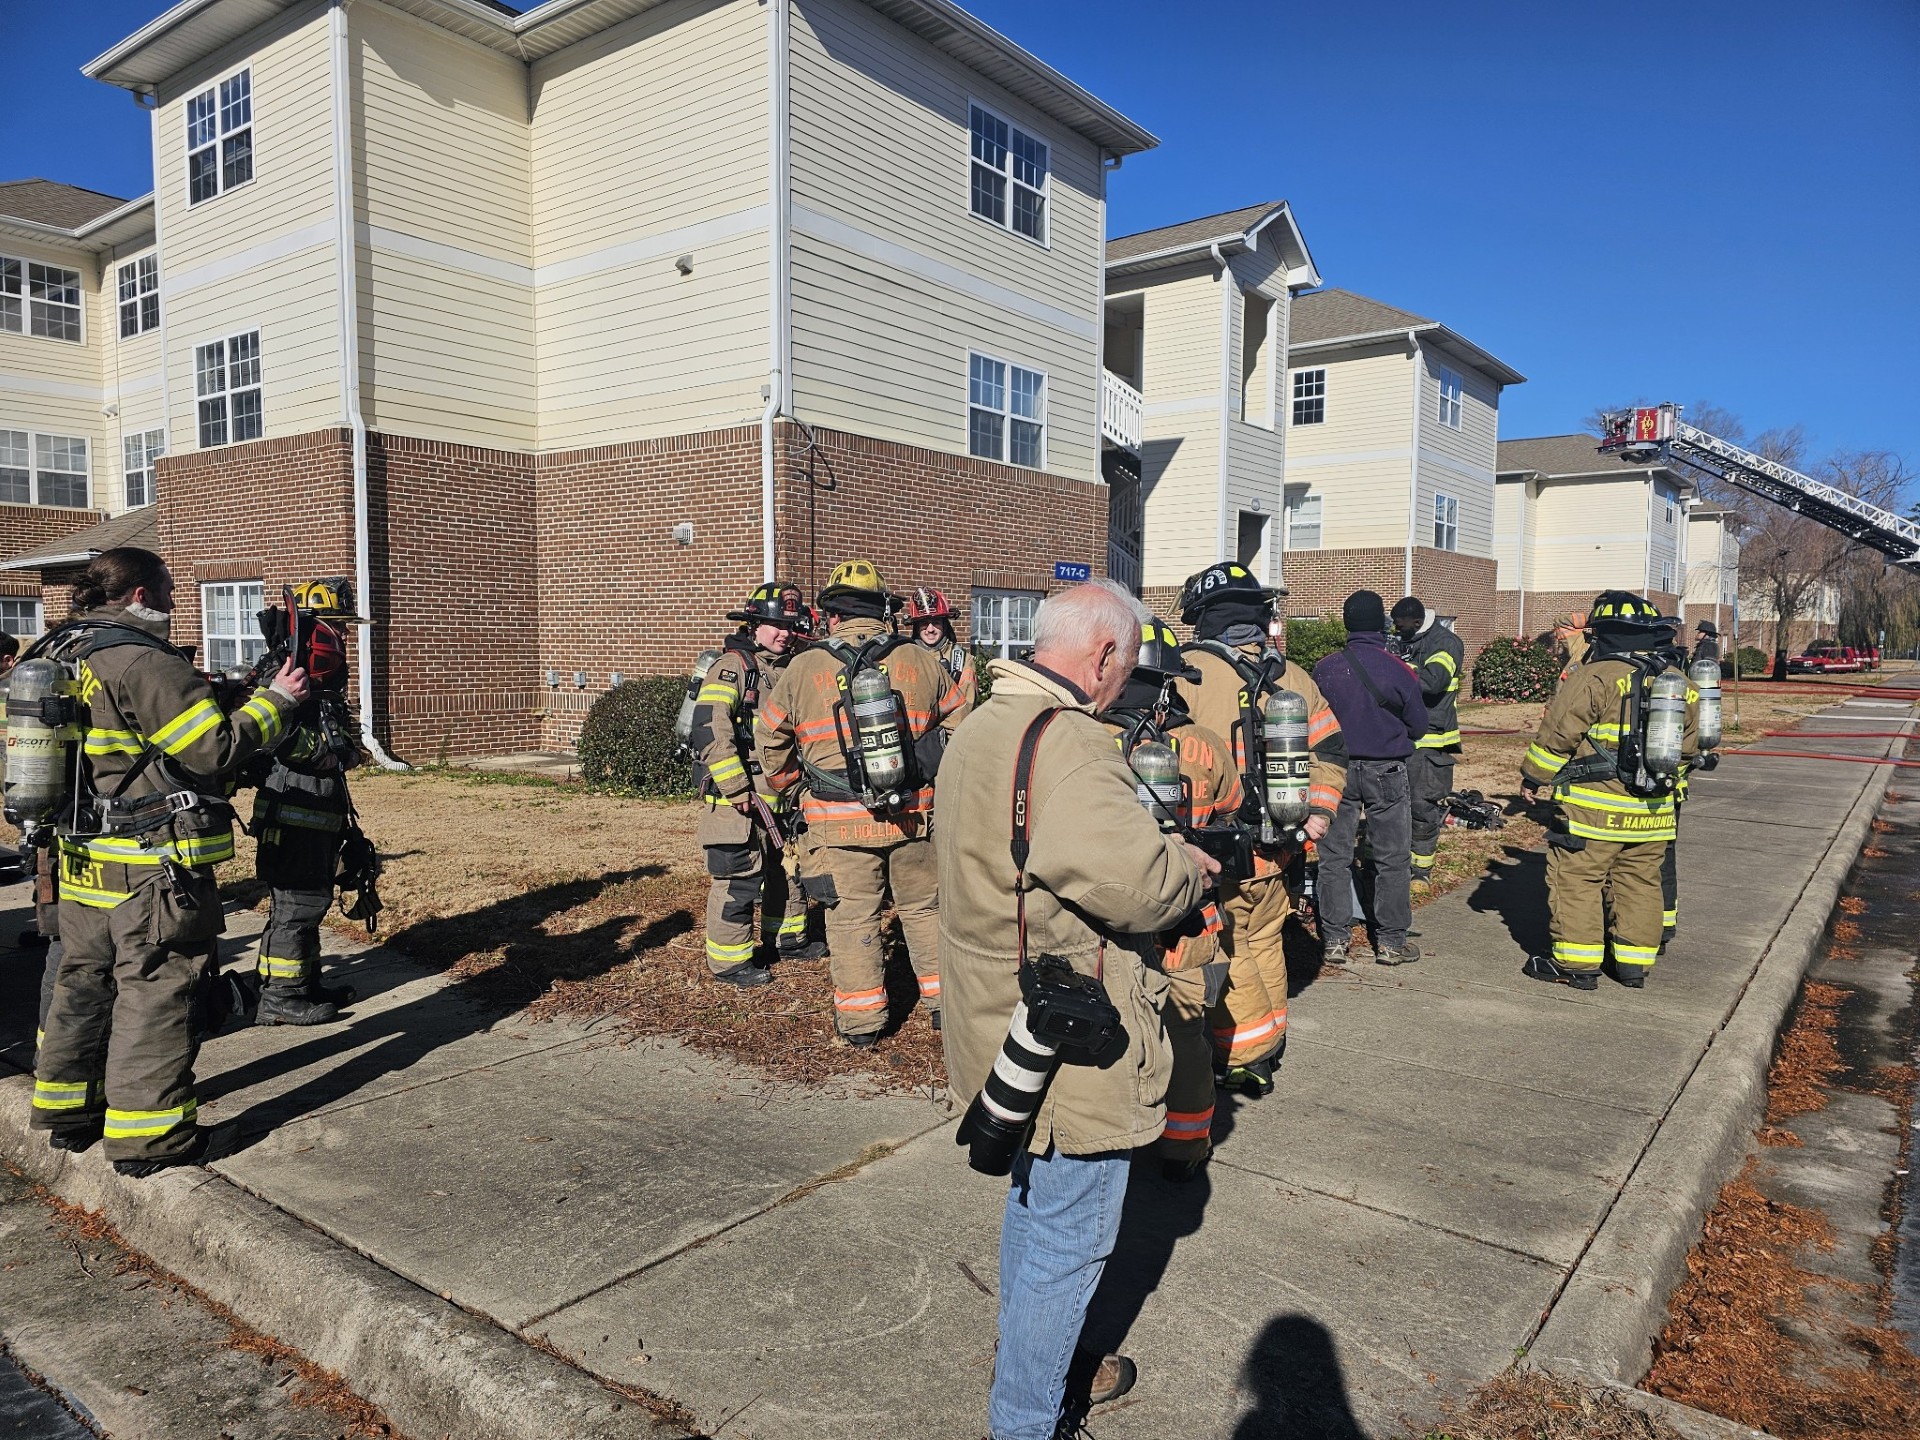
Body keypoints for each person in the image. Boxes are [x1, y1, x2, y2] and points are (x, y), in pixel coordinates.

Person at [937, 579, 1215, 1439]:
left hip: (999, 1015)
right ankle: (1027, 1419)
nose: (1124, 686)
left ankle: (1032, 1359)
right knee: (1070, 1237)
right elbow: (1135, 887)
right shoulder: (1068, 745)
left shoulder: (982, 724)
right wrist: (1188, 869)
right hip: (1075, 1040)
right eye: (1126, 668)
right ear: (1101, 655)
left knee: (1035, 1204)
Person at [30, 547, 305, 1176]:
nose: (177, 600)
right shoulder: (142, 660)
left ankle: (70, 1112)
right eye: (169, 590)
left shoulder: (52, 653)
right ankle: (150, 1141)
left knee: (82, 982)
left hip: (79, 859)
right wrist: (274, 701)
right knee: (155, 994)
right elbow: (213, 751)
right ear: (140, 596)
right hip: (149, 868)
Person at [756, 560, 962, 1044]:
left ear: (831, 615)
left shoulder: (803, 666)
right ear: (883, 611)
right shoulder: (921, 658)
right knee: (925, 909)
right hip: (914, 816)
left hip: (836, 822)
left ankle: (863, 1024)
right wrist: (921, 762)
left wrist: (792, 784)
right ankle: (942, 1006)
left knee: (851, 919)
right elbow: (962, 726)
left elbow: (771, 738)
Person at [1173, 564, 1345, 1098]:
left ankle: (1244, 1057)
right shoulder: (1292, 675)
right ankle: (1272, 1038)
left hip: (1225, 847)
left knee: (1233, 946)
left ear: (1201, 617)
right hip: (1287, 845)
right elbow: (1332, 750)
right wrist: (1317, 812)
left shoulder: (1185, 675)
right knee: (1269, 937)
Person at [1097, 616, 1241, 1181]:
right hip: (1189, 922)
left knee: (1112, 1032)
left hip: (1111, 926)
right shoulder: (1200, 745)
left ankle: (1113, 1141)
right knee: (1184, 1035)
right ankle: (1183, 1151)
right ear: (1164, 684)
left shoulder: (1084, 742)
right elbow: (1229, 809)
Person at [1520, 591, 1699, 990]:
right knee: (1639, 882)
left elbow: (1558, 736)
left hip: (1592, 812)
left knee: (1577, 880)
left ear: (1604, 633)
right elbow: (1689, 748)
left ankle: (1577, 967)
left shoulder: (1595, 676)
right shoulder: (1680, 682)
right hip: (1653, 813)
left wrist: (1533, 776)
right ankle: (1633, 966)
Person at [248, 580, 373, 1025]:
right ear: (310, 629)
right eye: (335, 627)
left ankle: (298, 984)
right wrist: (338, 754)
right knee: (298, 906)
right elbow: (278, 739)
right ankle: (281, 998)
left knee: (308, 903)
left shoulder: (314, 680)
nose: (342, 637)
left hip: (316, 813)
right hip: (294, 812)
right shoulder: (281, 679)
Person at [690, 583, 817, 988]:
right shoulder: (732, 667)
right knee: (740, 879)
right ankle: (729, 963)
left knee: (789, 873)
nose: (783, 633)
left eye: (789, 626)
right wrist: (736, 788)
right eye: (775, 625)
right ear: (754, 624)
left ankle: (788, 940)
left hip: (783, 797)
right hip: (738, 803)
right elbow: (710, 727)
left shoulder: (788, 668)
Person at [1312, 592, 1429, 966]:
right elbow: (1420, 725)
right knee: (1393, 859)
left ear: (1346, 624)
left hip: (1336, 770)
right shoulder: (1398, 669)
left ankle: (1334, 940)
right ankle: (1391, 943)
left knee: (1334, 858)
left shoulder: (1324, 670)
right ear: (1381, 624)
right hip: (1387, 770)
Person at [1391, 596, 1464, 893]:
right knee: (1392, 805)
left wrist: (1394, 667)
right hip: (1400, 738)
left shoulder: (1445, 643)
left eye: (1401, 625)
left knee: (1422, 806)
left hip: (1431, 740)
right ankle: (1388, 864)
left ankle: (1421, 871)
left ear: (1417, 622)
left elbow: (1432, 682)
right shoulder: (1405, 640)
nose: (1397, 631)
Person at [904, 587, 977, 730]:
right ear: (916, 627)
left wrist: (938, 741)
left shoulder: (962, 661)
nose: (930, 629)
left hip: (944, 742)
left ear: (945, 625)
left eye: (936, 622)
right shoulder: (905, 656)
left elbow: (965, 709)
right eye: (924, 623)